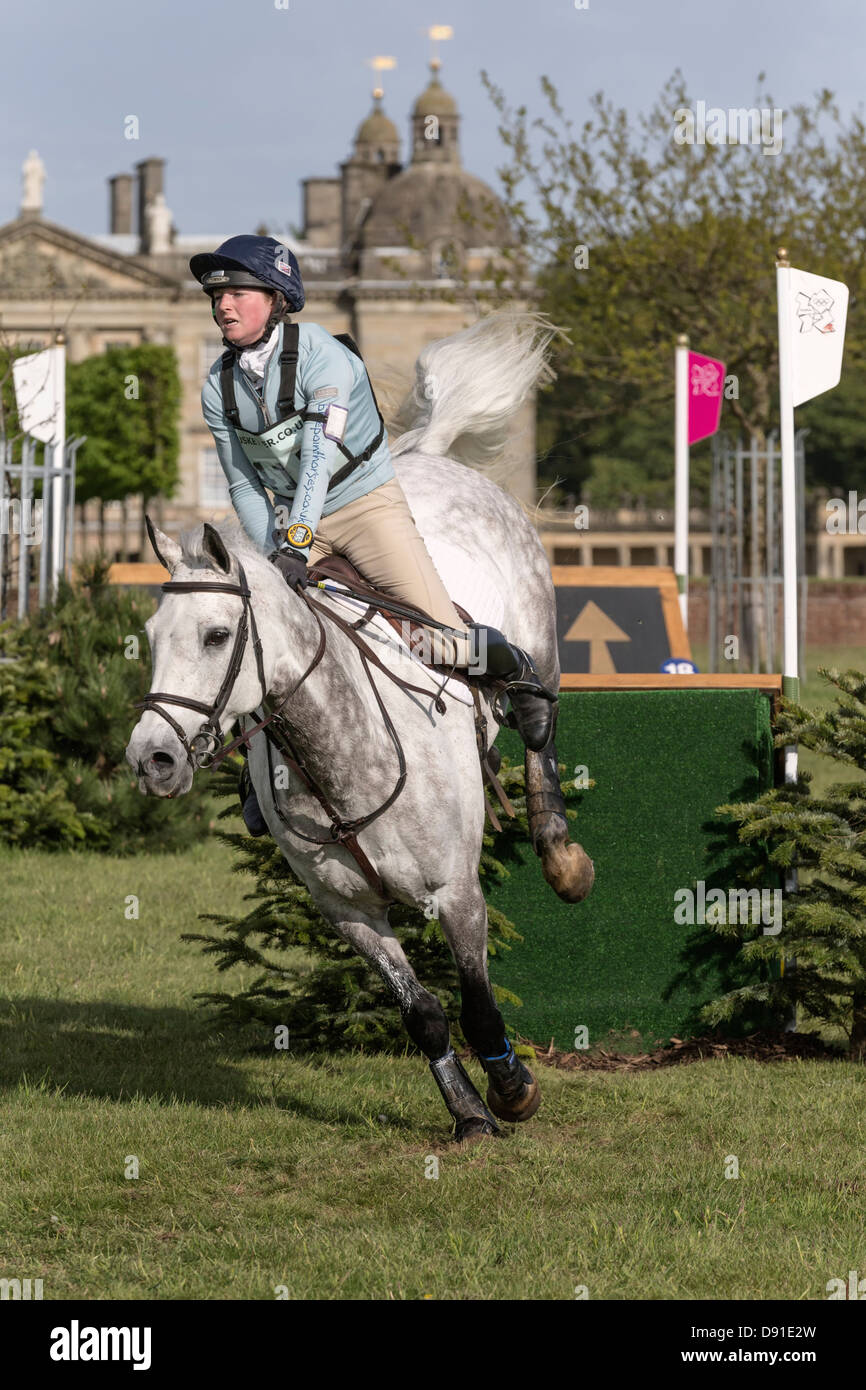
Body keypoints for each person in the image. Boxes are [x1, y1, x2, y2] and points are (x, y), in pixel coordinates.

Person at [190, 235, 556, 833]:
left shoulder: (326, 360)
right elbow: (242, 486)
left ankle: (519, 674)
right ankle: (259, 765)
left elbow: (316, 458)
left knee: (436, 636)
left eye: (236, 292)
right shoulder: (218, 387)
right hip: (289, 521)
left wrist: (297, 544)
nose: (222, 305)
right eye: (216, 295)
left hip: (364, 506)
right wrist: (267, 556)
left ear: (278, 299)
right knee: (259, 630)